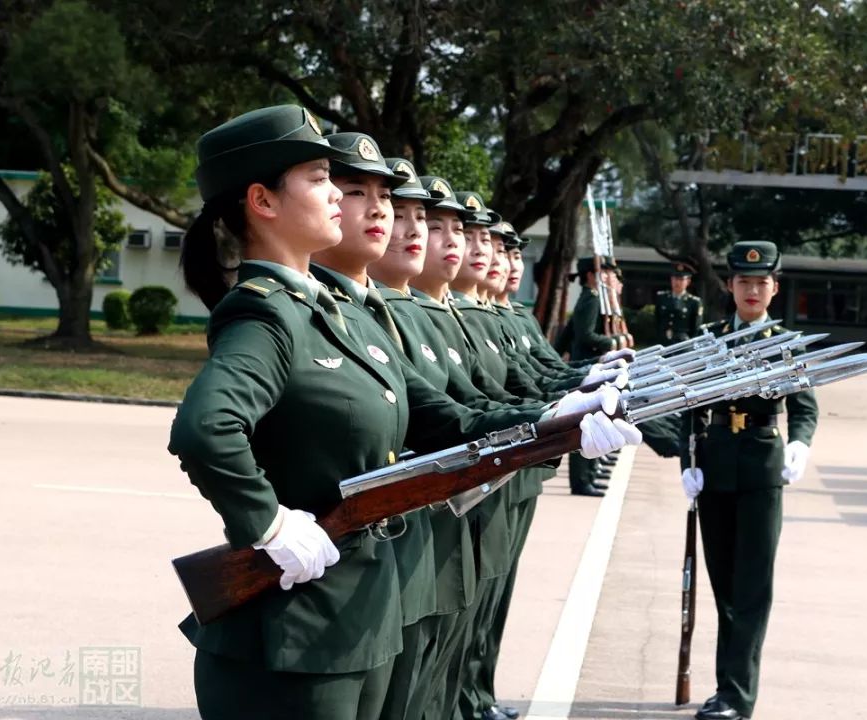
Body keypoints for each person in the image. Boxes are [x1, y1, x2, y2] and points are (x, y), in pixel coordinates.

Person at [167, 108, 636, 720]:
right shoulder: (265, 316)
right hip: (293, 637)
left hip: (361, 616)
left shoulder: (343, 316)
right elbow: (205, 429)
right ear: (263, 200)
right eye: (320, 178)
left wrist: (558, 419)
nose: (338, 195)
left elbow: (442, 416)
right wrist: (269, 525)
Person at [679, 240, 818, 720]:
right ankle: (726, 688)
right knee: (723, 586)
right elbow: (687, 406)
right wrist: (687, 461)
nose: (752, 289)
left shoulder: (787, 341)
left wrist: (800, 443)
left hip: (762, 468)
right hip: (715, 466)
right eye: (744, 282)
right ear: (731, 286)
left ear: (774, 288)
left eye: (761, 282)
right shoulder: (709, 337)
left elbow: (805, 408)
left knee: (752, 589)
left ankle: (736, 696)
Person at [568, 256, 619, 497]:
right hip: (589, 365)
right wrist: (612, 341)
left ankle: (589, 473)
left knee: (596, 419)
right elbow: (585, 335)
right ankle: (581, 480)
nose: (610, 277)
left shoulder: (595, 299)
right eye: (605, 272)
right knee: (585, 423)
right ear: (591, 275)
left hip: (591, 366)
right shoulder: (591, 299)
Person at [654, 263, 704, 343]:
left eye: (681, 279)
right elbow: (657, 321)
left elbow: (696, 328)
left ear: (688, 281)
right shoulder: (662, 297)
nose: (677, 282)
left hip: (683, 342)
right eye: (675, 278)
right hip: (663, 341)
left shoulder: (694, 302)